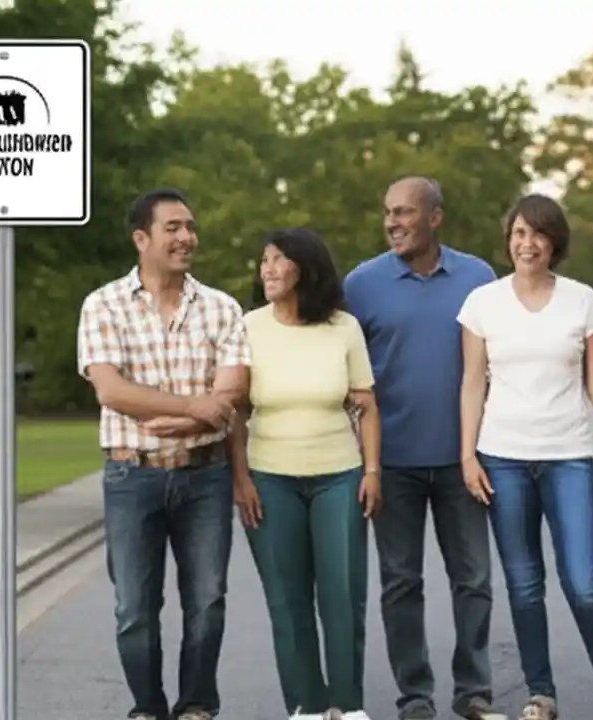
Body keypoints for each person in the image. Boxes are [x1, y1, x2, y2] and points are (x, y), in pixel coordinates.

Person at [457, 194, 593, 720]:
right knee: (524, 585)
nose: (527, 243)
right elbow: (472, 383)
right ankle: (541, 693)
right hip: (502, 457)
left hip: (567, 456)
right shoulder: (483, 303)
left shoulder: (582, 301)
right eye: (518, 233)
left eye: (537, 234)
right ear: (508, 239)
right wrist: (467, 455)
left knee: (583, 581)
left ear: (554, 242)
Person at [76, 187, 249, 720]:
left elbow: (232, 393)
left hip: (206, 476)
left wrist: (195, 413)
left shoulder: (222, 307)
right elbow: (112, 391)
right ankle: (147, 709)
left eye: (190, 227)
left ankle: (196, 705)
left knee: (207, 601)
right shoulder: (103, 305)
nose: (186, 237)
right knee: (134, 607)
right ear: (141, 238)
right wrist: (197, 407)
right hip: (132, 476)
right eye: (172, 227)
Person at [342, 176, 504, 720]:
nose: (393, 222)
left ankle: (473, 690)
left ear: (435, 217)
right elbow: (344, 370)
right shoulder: (361, 284)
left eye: (405, 212)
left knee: (474, 580)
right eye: (388, 212)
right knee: (400, 583)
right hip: (390, 463)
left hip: (465, 460)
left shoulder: (478, 278)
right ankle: (415, 696)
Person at [228, 228, 383, 718]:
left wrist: (372, 470)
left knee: (343, 594)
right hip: (269, 477)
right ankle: (307, 706)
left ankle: (349, 705)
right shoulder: (247, 327)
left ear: (305, 268)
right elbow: (236, 412)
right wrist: (241, 479)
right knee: (286, 598)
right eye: (264, 260)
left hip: (340, 475)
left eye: (278, 259)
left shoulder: (343, 328)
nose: (267, 269)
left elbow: (366, 405)